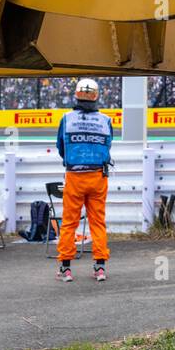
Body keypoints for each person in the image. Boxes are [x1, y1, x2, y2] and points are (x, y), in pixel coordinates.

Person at [54, 77, 112, 283]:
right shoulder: (105, 120)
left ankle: (65, 268)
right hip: (98, 176)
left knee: (69, 223)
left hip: (75, 175)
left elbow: (61, 147)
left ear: (76, 95)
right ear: (96, 96)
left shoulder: (67, 118)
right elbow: (108, 145)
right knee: (98, 222)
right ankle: (100, 267)